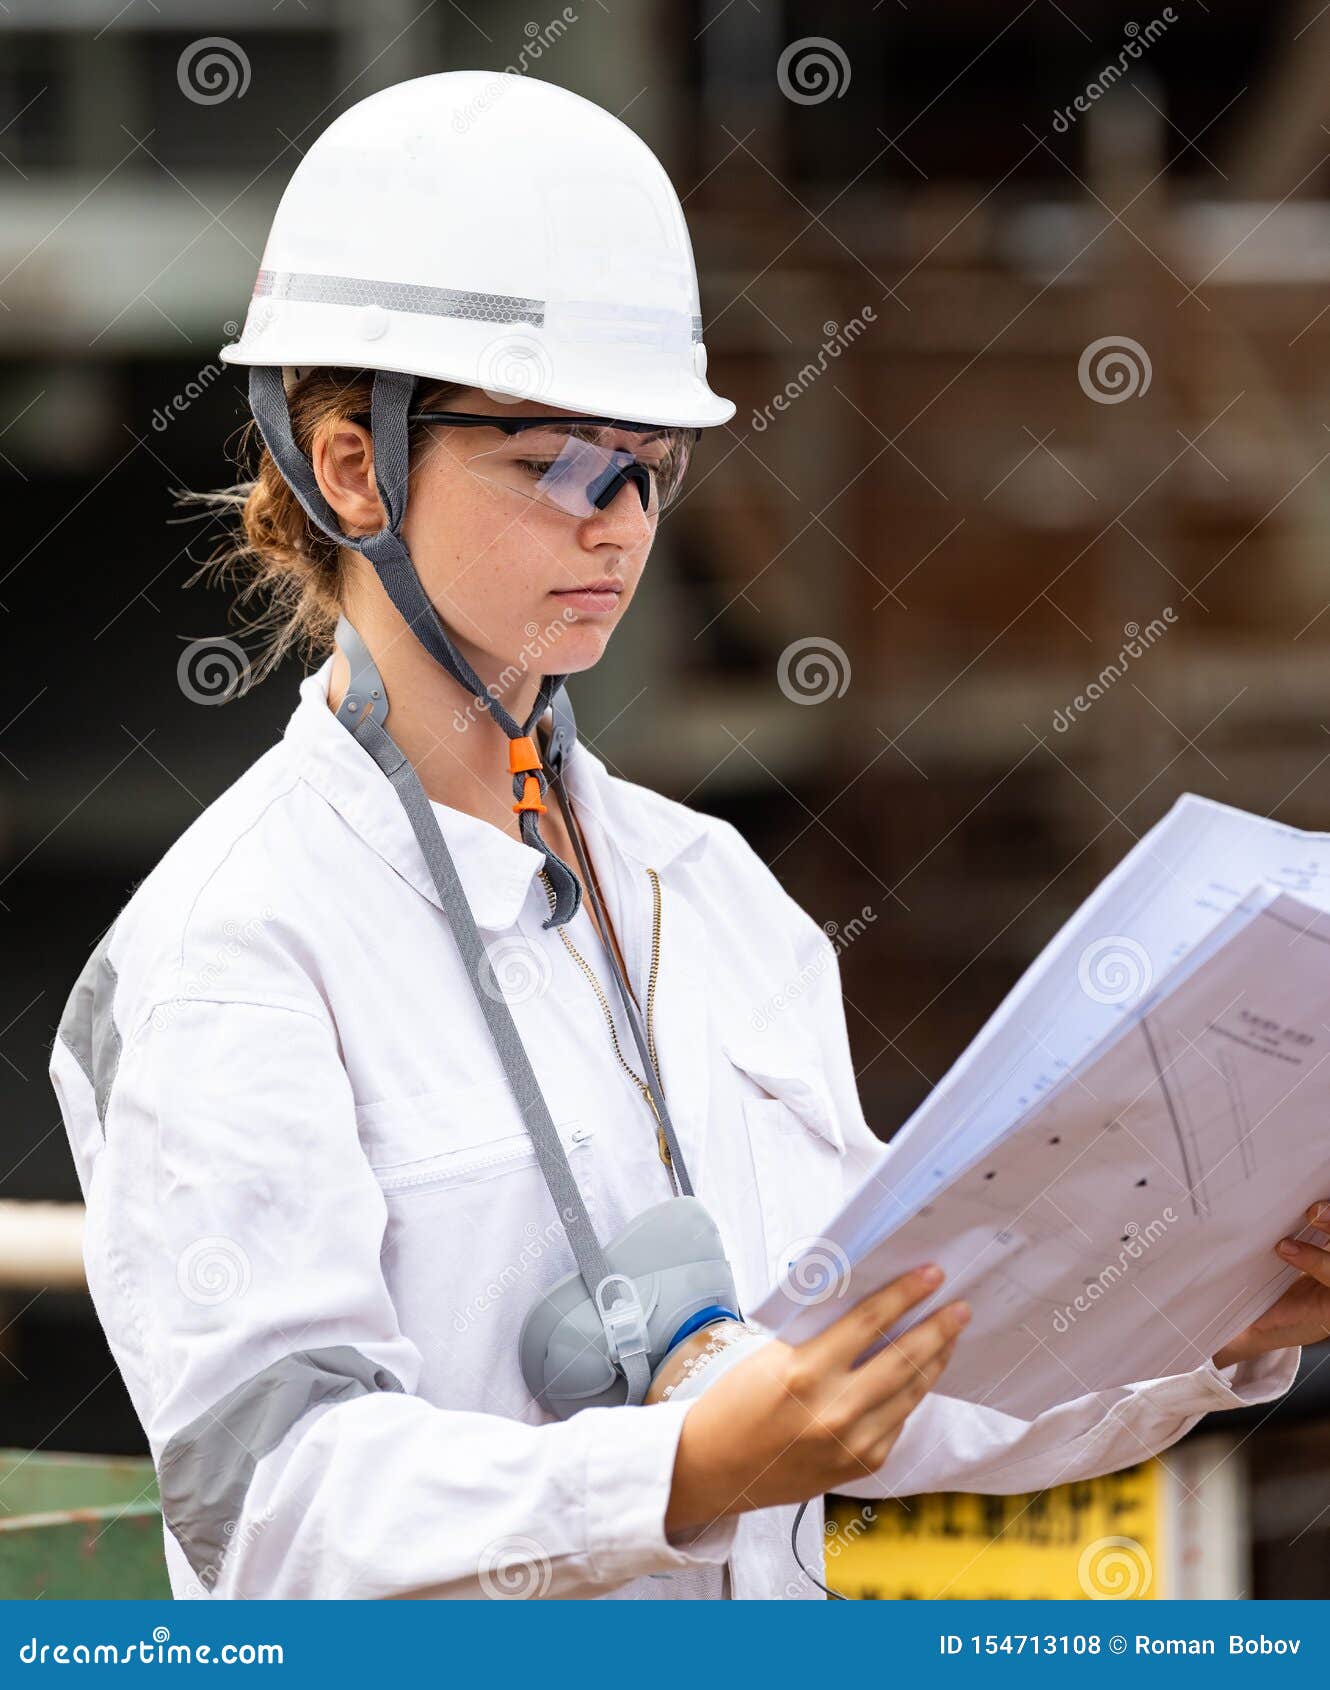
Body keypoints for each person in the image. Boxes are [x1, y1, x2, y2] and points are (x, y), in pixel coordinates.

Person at [47, 71, 1323, 1603]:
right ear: (352, 465)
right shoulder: (231, 951)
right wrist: (690, 1468)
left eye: (648, 465)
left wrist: (1206, 1319)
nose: (619, 524)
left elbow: (902, 1374)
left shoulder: (705, 892)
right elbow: (271, 1509)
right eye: (555, 466)